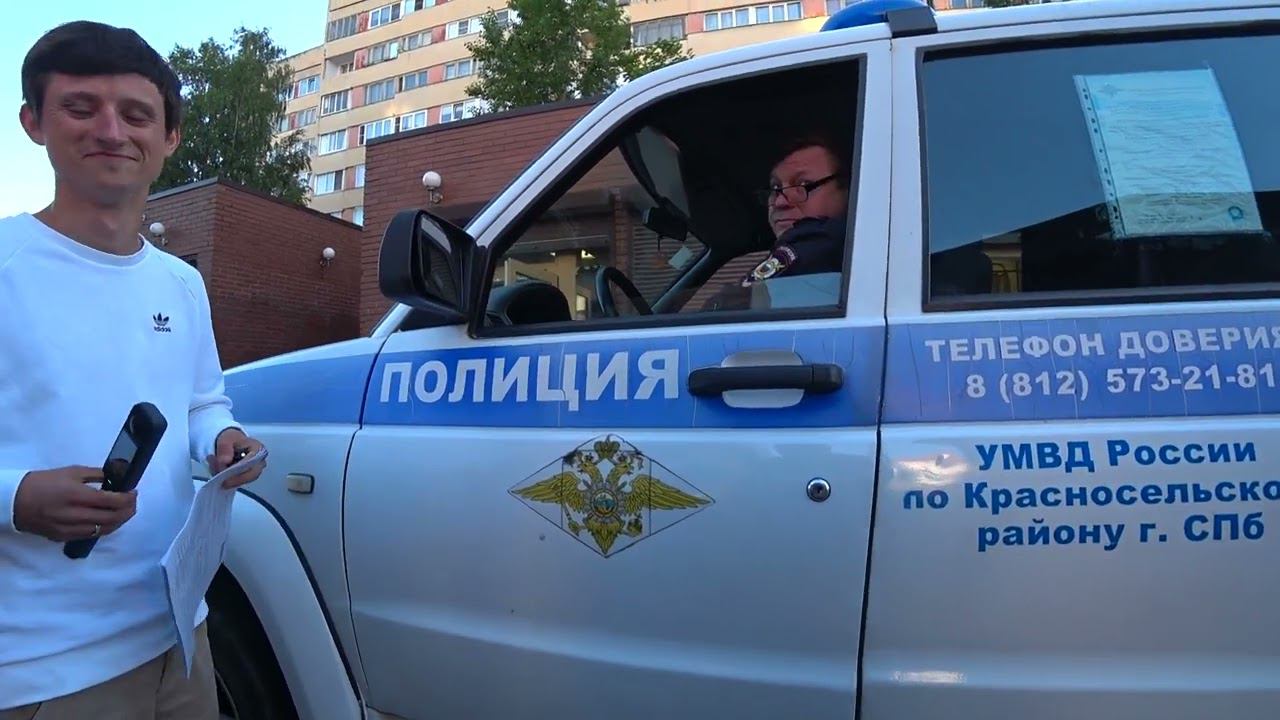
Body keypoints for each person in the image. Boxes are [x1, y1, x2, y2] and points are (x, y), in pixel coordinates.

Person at [0, 21, 266, 719]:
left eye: (136, 114)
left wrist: (223, 438)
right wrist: (14, 499)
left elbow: (202, 400)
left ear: (169, 137)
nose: (112, 131)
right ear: (33, 122)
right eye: (81, 107)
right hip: (43, 667)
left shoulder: (181, 282)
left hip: (181, 632)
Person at [702, 133, 851, 311]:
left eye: (804, 184)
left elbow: (733, 307)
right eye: (775, 188)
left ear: (847, 191)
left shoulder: (819, 241)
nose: (779, 202)